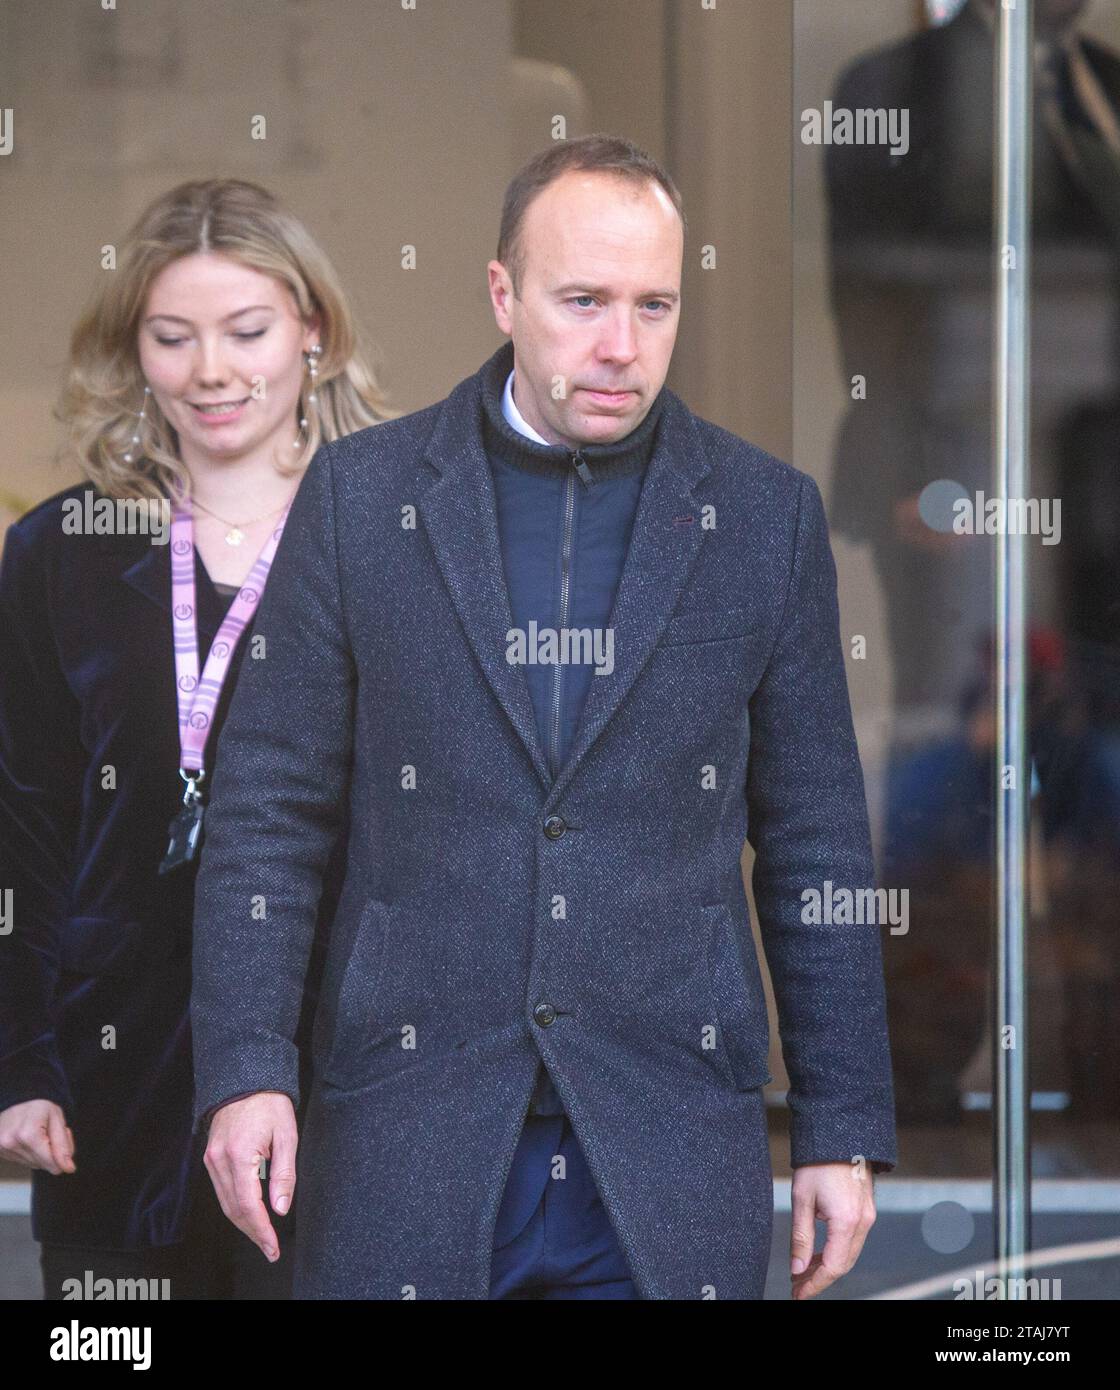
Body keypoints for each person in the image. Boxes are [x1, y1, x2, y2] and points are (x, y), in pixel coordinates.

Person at [192, 135, 896, 1302]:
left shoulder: (765, 518)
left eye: (653, 304)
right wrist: (246, 1066)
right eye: (582, 302)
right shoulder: (361, 501)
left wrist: (840, 1123)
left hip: (669, 1130)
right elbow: (269, 806)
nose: (622, 345)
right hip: (408, 1122)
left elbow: (819, 838)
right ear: (503, 293)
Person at [0, 177, 394, 1298]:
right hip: (108, 1092)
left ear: (313, 330)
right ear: (135, 351)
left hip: (334, 1094)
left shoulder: (393, 541)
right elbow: (18, 824)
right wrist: (19, 1060)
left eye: (247, 331)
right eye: (173, 337)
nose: (211, 371)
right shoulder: (60, 553)